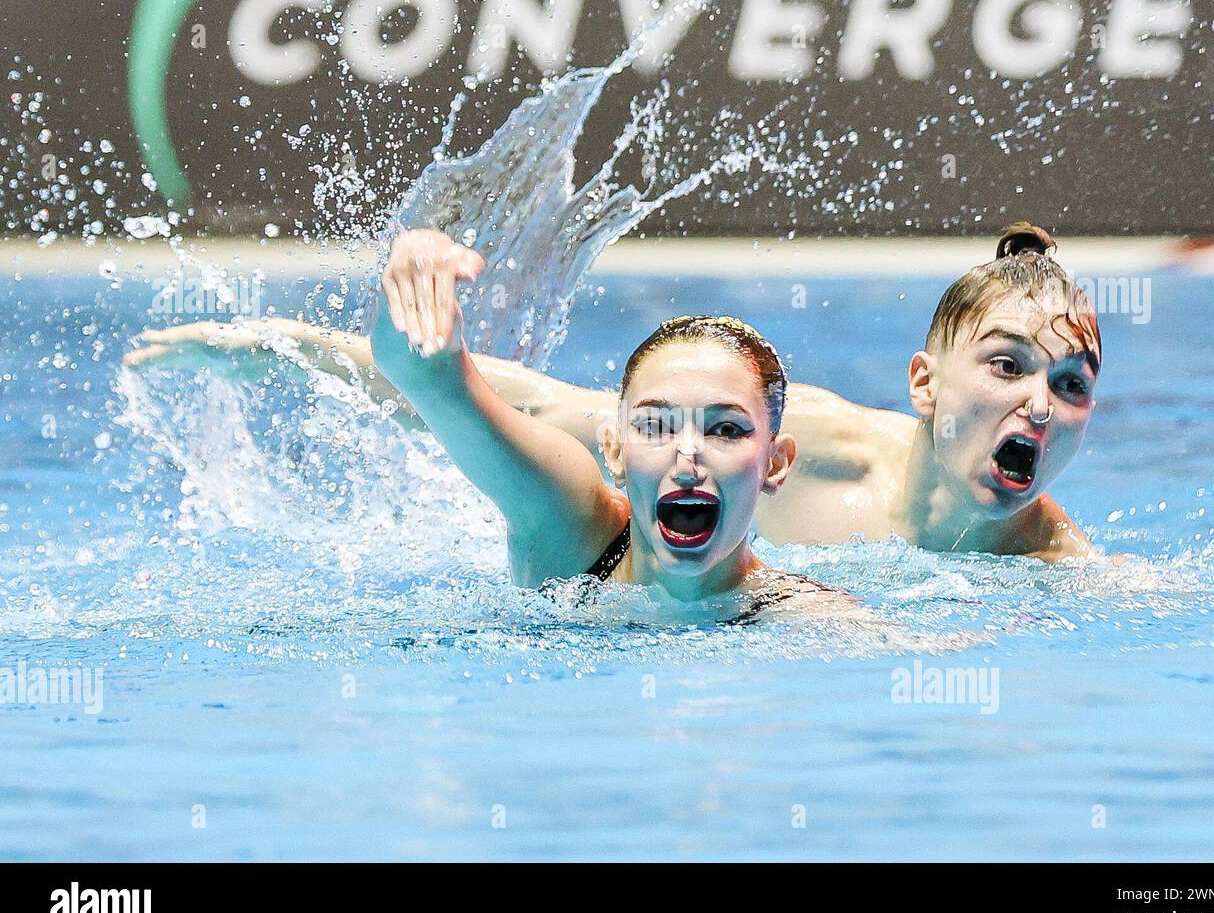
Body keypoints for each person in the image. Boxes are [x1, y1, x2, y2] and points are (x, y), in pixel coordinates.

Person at [126, 222, 1099, 562]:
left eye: (1071, 383)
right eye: (1007, 366)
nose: (1040, 405)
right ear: (924, 382)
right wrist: (300, 348)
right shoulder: (789, 439)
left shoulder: (1054, 555)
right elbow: (544, 407)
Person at [360, 228, 852, 620]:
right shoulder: (568, 530)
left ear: (776, 463)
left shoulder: (806, 617)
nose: (688, 457)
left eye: (724, 430)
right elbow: (422, 376)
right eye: (655, 426)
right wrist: (418, 262)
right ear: (614, 453)